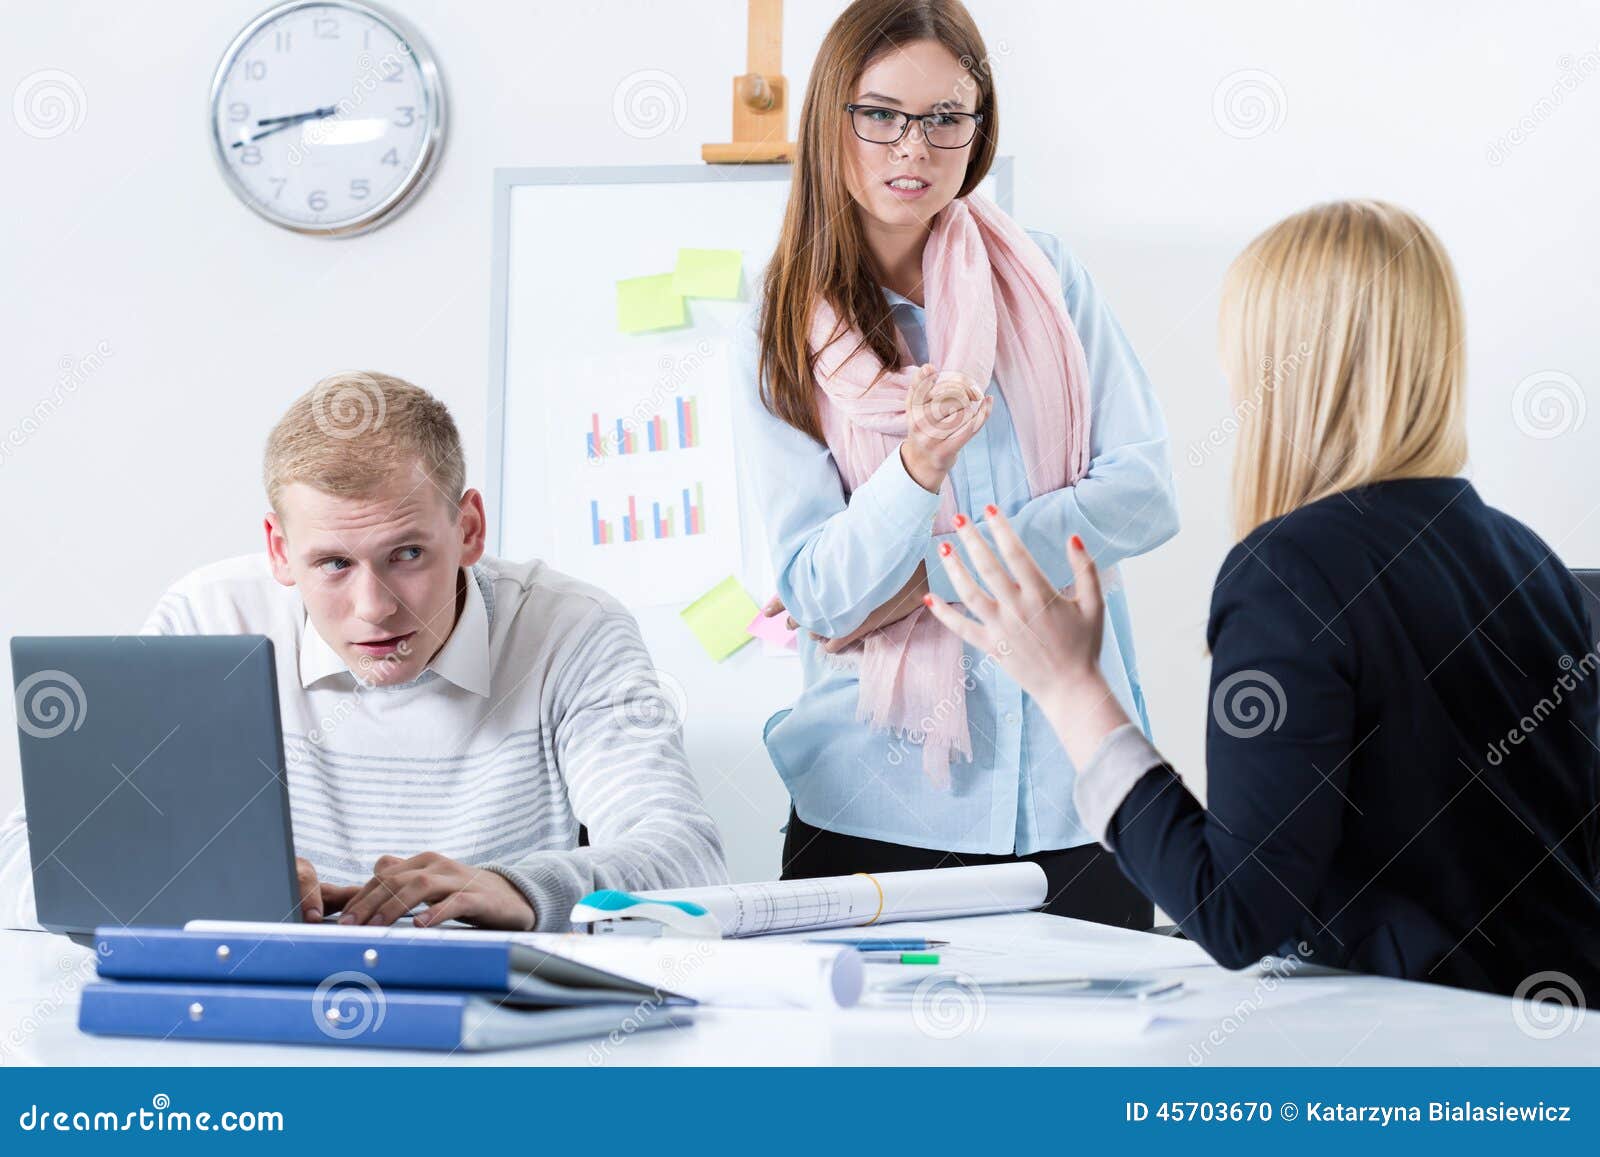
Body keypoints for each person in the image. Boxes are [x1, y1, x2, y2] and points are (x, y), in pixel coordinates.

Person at [924, 200, 1600, 997]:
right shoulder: (1530, 561)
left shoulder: (1292, 574)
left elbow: (1239, 912)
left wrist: (1073, 690)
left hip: (1433, 1045)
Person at [731, 0, 1177, 928]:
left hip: (1077, 794)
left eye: (945, 118)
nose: (914, 149)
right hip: (875, 807)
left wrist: (931, 577)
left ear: (979, 127)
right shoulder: (776, 327)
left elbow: (1143, 496)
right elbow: (819, 594)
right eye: (881, 114)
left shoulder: (1047, 278)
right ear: (831, 117)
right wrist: (916, 469)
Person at [0, 371, 725, 932]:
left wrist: (521, 888)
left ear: (469, 528)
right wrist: (199, 885)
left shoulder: (571, 630)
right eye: (333, 564)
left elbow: (688, 859)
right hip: (259, 1021)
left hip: (493, 1026)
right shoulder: (210, 619)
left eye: (407, 553)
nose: (375, 607)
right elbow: (26, 862)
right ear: (280, 550)